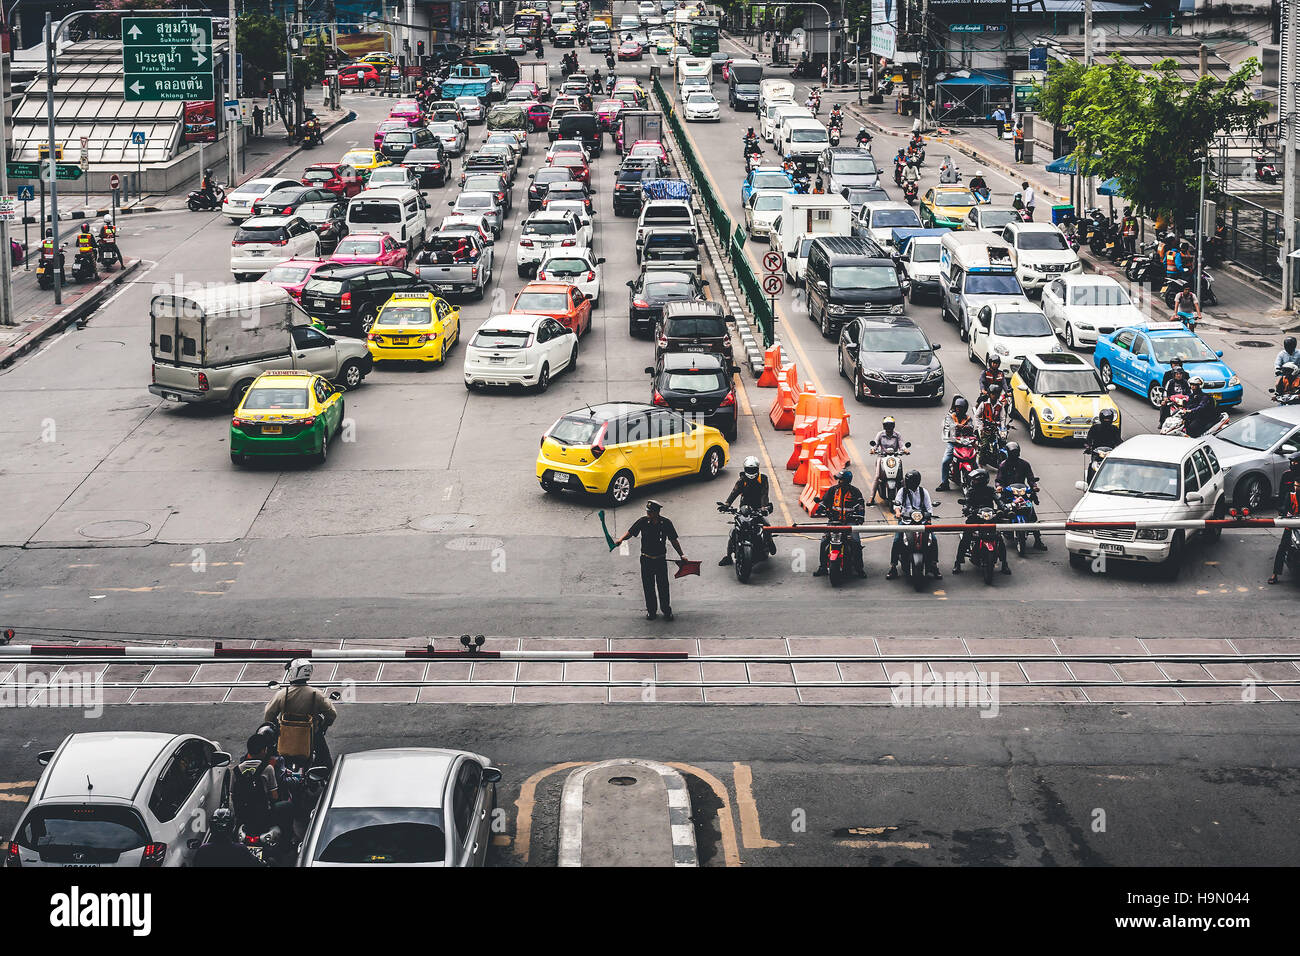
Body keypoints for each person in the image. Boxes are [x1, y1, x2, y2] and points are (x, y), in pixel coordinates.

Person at [615, 500, 686, 621]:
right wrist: (621, 539)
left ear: (657, 512)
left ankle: (666, 610)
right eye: (648, 511)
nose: (648, 513)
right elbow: (631, 532)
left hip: (660, 560)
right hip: (646, 559)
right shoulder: (643, 521)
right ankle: (651, 611)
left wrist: (682, 555)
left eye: (651, 512)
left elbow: (673, 540)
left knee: (663, 586)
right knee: (648, 587)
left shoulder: (666, 523)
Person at [263, 658, 337, 769]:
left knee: (270, 758)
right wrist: (323, 726)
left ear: (293, 672)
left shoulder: (282, 694)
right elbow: (332, 714)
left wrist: (277, 726)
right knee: (325, 763)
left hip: (285, 736)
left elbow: (268, 715)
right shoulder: (316, 694)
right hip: (312, 736)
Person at [719, 456, 776, 565]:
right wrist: (726, 504)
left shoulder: (763, 479)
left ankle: (770, 541)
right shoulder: (742, 480)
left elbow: (764, 494)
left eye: (753, 469)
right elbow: (734, 492)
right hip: (744, 509)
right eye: (749, 470)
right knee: (735, 531)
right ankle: (728, 557)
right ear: (745, 469)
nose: (751, 472)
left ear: (757, 469)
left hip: (758, 509)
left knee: (767, 526)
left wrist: (764, 508)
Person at [953, 470, 1010, 575]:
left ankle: (1004, 564)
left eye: (975, 480)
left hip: (990, 516)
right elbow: (968, 501)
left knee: (999, 538)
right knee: (966, 536)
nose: (973, 482)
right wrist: (966, 508)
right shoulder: (971, 491)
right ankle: (958, 562)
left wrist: (1004, 508)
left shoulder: (990, 490)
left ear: (981, 481)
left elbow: (998, 500)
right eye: (973, 480)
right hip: (976, 516)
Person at [813, 469, 867, 578]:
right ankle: (822, 567)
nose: (839, 481)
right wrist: (820, 508)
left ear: (847, 481)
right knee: (824, 541)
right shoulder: (833, 490)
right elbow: (824, 501)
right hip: (834, 521)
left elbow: (861, 505)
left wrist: (860, 516)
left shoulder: (855, 492)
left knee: (855, 542)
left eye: (841, 480)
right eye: (838, 479)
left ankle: (859, 568)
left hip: (849, 523)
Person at [887, 470, 940, 579]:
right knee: (897, 539)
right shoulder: (902, 491)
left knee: (933, 539)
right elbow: (897, 504)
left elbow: (929, 508)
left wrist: (929, 519)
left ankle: (934, 564)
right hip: (906, 519)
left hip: (921, 520)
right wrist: (897, 512)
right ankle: (893, 567)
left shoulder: (923, 491)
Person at [996, 443, 1047, 551]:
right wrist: (999, 487)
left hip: (1022, 492)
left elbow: (1030, 478)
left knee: (1032, 515)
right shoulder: (1003, 465)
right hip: (1008, 494)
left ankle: (1038, 541)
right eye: (1012, 453)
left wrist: (1034, 486)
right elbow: (999, 480)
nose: (1014, 455)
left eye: (1016, 453)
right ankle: (999, 537)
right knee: (1001, 512)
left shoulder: (1025, 464)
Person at [1267, 454, 1300, 584]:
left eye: (1296, 463)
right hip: (1290, 519)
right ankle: (1275, 574)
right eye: (1292, 462)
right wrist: (1282, 512)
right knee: (1283, 546)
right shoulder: (1287, 476)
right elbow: (1281, 497)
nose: (1293, 464)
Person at [937, 396, 972, 491]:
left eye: (960, 408)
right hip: (953, 443)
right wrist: (957, 426)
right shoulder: (950, 416)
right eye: (957, 408)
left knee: (974, 462)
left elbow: (972, 427)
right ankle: (944, 483)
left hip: (965, 443)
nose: (958, 410)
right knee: (945, 461)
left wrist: (968, 428)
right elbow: (947, 425)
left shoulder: (968, 418)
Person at [871, 416, 905, 503]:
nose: (889, 428)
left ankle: (905, 497)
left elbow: (902, 445)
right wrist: (873, 449)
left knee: (901, 478)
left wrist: (905, 450)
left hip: (895, 457)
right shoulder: (880, 434)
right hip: (882, 457)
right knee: (877, 476)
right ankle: (872, 497)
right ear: (884, 426)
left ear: (893, 426)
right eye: (887, 426)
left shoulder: (897, 435)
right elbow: (875, 444)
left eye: (890, 426)